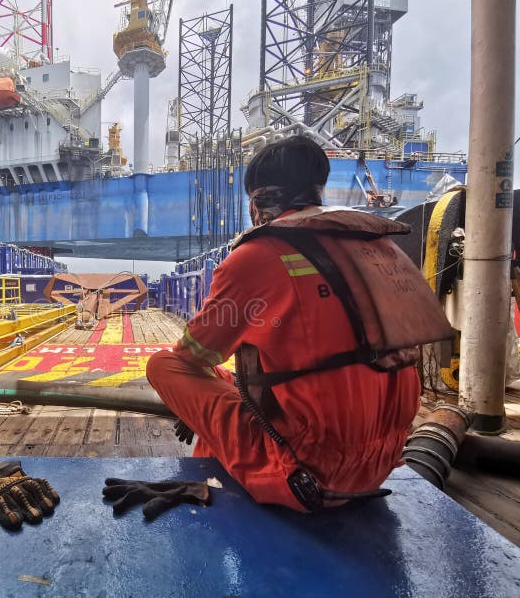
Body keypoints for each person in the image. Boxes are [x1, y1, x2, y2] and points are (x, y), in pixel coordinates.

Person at [146, 136, 450, 512]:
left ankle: (234, 482)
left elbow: (191, 357)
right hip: (378, 465)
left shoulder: (256, 256)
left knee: (164, 365)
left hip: (307, 474)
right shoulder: (379, 247)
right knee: (227, 379)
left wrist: (190, 407)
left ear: (256, 202)